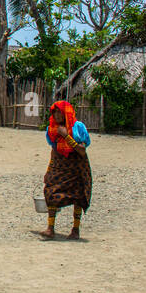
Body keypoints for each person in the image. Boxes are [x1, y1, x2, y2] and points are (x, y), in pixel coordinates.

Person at [41, 100, 91, 239]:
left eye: (59, 112)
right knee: (50, 191)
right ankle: (50, 228)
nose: (56, 115)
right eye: (54, 112)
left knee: (78, 195)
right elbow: (54, 150)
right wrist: (49, 169)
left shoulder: (77, 127)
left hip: (77, 166)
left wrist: (66, 136)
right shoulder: (52, 129)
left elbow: (81, 151)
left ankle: (75, 230)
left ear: (65, 113)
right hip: (59, 165)